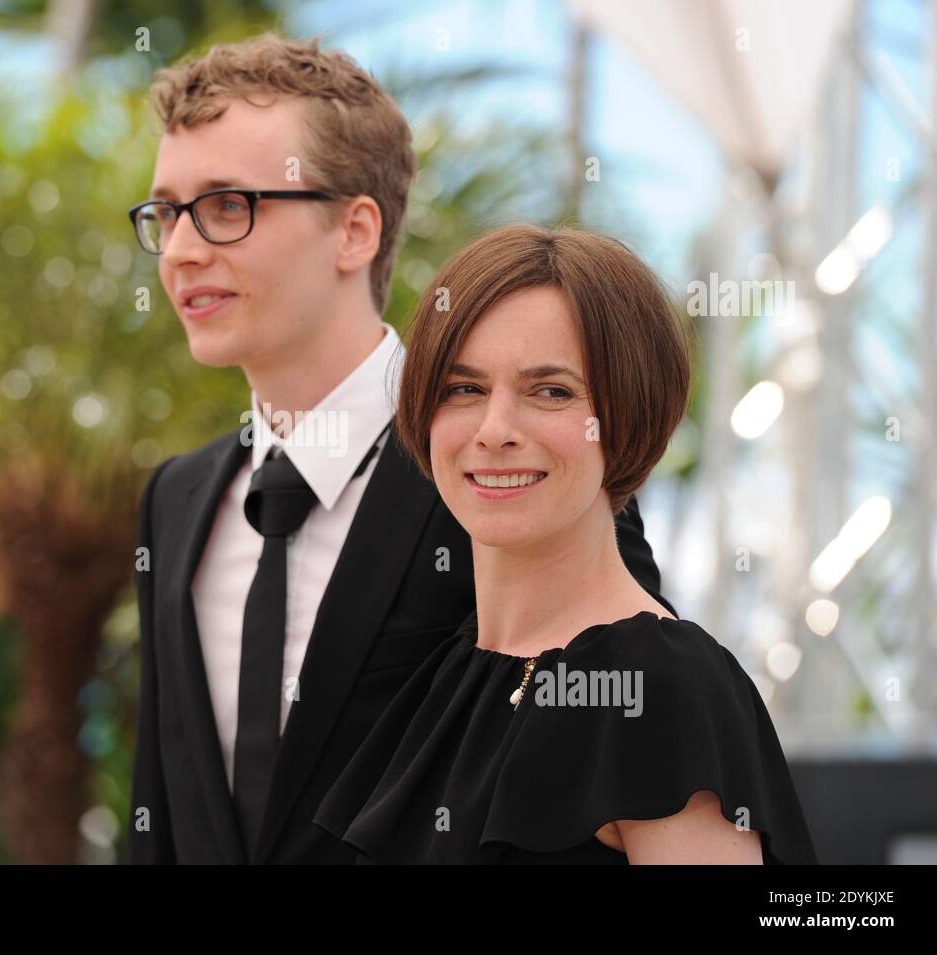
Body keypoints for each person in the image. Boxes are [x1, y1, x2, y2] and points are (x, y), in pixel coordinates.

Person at [126, 34, 671, 865]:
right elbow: (160, 820)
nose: (180, 248)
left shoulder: (512, 471)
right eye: (165, 212)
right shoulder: (174, 502)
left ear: (355, 230)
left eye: (227, 205)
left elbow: (621, 759)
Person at [312, 224, 820, 864]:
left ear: (628, 412)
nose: (495, 430)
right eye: (464, 389)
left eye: (550, 391)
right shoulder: (452, 674)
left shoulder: (661, 685)